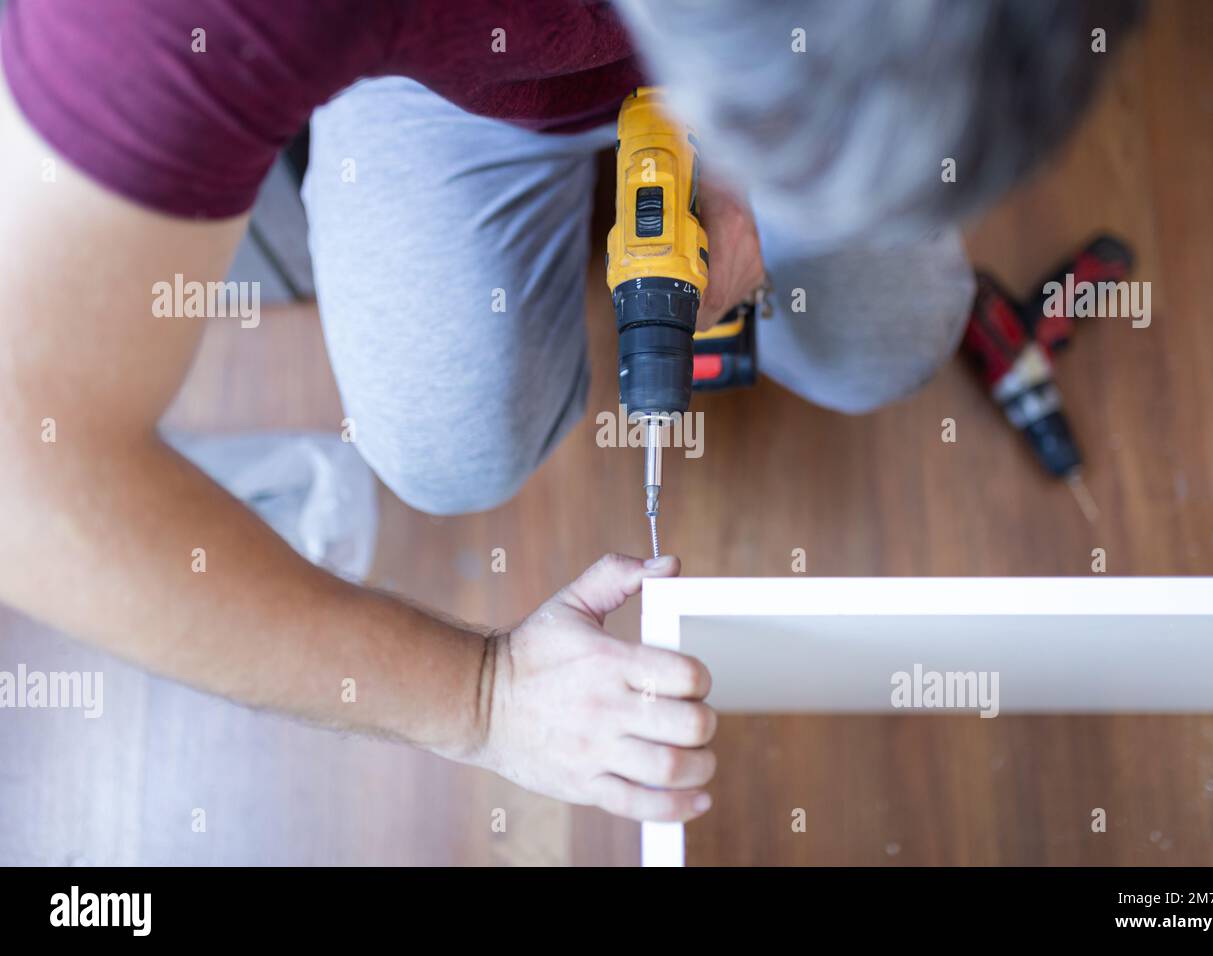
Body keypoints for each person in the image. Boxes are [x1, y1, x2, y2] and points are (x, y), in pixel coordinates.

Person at [0, 0, 1138, 822]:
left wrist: (754, 153)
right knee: (445, 448)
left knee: (891, 335)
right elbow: (25, 480)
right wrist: (482, 697)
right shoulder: (166, 17)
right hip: (437, 77)